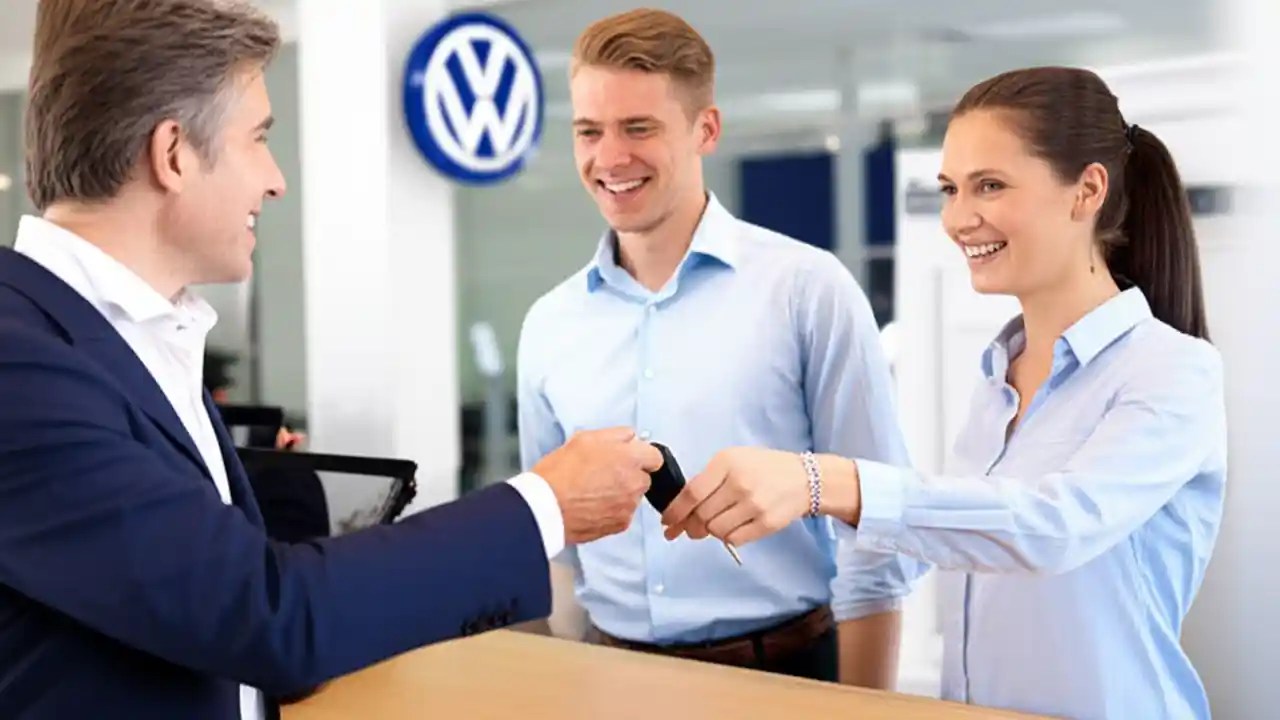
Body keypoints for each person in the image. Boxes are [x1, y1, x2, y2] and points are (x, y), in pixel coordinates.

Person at [0, 2, 661, 718]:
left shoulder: (141, 336)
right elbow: (266, 616)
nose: (275, 179)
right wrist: (546, 506)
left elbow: (194, 611)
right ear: (174, 154)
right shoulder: (17, 361)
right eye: (257, 138)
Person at [661, 66, 1226, 720]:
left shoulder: (1173, 372)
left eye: (990, 185)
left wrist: (824, 483)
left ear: (1087, 191)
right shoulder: (996, 379)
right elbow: (971, 555)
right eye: (950, 189)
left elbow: (1051, 527)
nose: (959, 218)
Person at [517, 8, 921, 686]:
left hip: (785, 677)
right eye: (590, 131)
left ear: (706, 129)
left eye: (638, 128)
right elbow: (554, 535)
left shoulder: (805, 289)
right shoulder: (550, 323)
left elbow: (877, 533)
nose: (609, 157)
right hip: (604, 673)